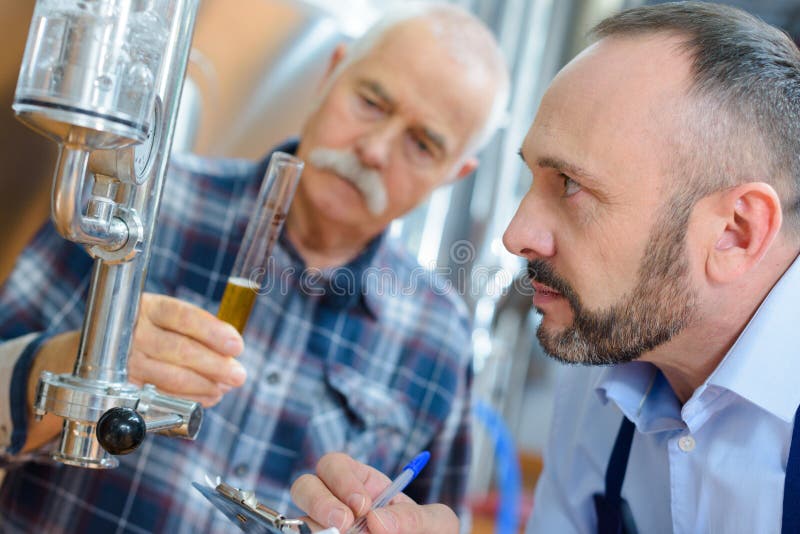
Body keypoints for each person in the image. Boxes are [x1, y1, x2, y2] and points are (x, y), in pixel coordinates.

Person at [290, 2, 800, 533]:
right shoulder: (603, 378)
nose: (516, 237)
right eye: (532, 177)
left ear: (735, 231)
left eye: (570, 185)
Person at [0, 3, 509, 533]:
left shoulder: (439, 339)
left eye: (422, 144)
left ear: (456, 173)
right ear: (330, 71)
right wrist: (90, 361)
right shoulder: (139, 206)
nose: (376, 149)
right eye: (372, 102)